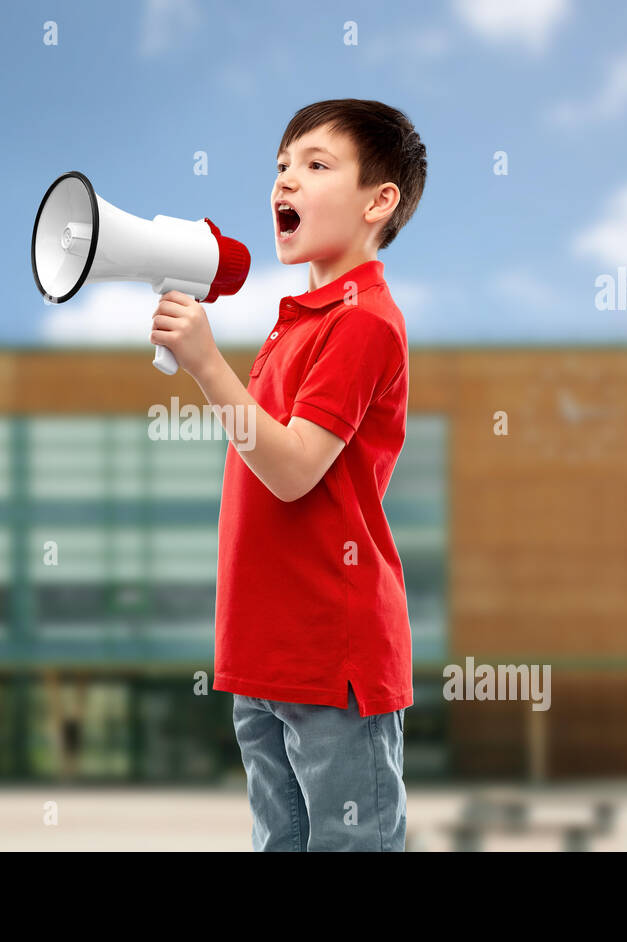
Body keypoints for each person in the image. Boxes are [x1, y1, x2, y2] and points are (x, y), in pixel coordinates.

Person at [148, 99, 428, 851]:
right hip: (266, 652)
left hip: (330, 654)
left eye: (315, 164)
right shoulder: (298, 320)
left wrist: (208, 367)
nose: (285, 182)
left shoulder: (364, 321)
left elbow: (295, 470)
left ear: (379, 201)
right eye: (279, 166)